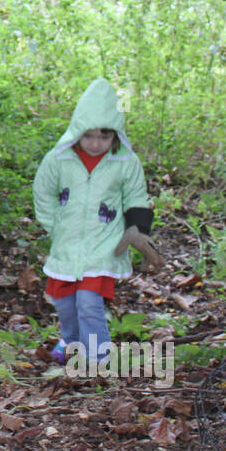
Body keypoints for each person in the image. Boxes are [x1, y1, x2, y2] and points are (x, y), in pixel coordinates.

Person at [32, 78, 164, 364]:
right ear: (77, 131)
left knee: (89, 303)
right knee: (65, 303)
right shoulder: (59, 160)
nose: (95, 143)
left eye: (103, 137)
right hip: (66, 244)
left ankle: (98, 358)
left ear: (115, 136)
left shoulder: (125, 163)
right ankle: (71, 339)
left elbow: (136, 197)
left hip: (104, 244)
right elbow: (43, 191)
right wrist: (54, 226)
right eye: (88, 136)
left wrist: (138, 231)